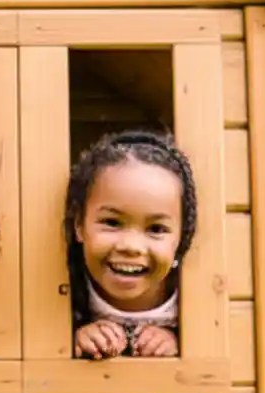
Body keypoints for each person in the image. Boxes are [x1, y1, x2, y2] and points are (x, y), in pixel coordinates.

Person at [65, 130, 197, 360]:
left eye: (156, 229)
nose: (131, 246)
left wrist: (179, 339)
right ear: (79, 225)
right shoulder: (68, 289)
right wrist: (73, 338)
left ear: (181, 238)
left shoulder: (191, 294)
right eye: (112, 223)